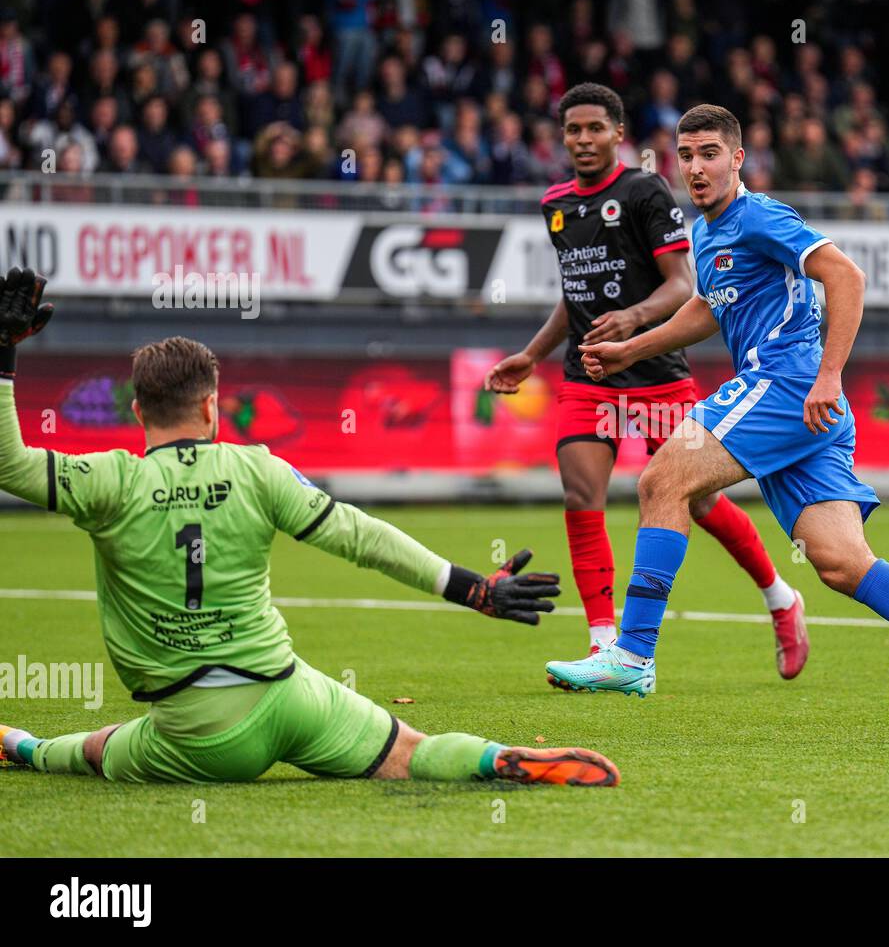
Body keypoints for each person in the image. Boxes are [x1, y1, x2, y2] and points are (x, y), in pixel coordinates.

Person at [0, 269, 618, 785]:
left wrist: (3, 357)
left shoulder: (109, 482)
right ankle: (492, 757)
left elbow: (12, 464)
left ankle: (23, 746)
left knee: (94, 750)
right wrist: (470, 587)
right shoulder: (258, 469)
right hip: (290, 693)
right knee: (413, 753)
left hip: (199, 728)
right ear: (212, 405)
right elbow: (360, 535)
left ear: (138, 411)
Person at [545, 106, 889, 730]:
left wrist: (829, 375)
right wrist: (632, 349)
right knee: (840, 564)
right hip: (803, 406)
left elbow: (846, 276)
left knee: (661, 480)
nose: (695, 167)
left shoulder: (760, 216)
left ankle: (633, 653)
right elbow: (707, 307)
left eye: (709, 154)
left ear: (737, 158)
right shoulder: (709, 229)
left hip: (787, 382)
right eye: (686, 155)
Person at [485, 84, 808, 687]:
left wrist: (634, 320)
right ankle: (604, 644)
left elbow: (681, 284)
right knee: (582, 496)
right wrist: (532, 354)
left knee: (696, 499)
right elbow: (574, 295)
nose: (584, 140)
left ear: (617, 133)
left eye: (595, 129)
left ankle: (780, 596)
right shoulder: (555, 203)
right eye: (573, 130)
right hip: (590, 373)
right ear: (563, 136)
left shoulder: (645, 190)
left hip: (656, 375)